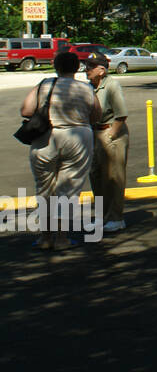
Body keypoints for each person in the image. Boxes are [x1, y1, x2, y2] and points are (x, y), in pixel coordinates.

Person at [21, 51, 100, 249]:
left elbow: (26, 110)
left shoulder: (45, 84)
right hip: (78, 138)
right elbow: (96, 115)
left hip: (46, 138)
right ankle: (62, 238)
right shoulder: (85, 88)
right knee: (69, 189)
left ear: (56, 66)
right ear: (77, 68)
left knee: (44, 187)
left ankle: (45, 238)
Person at [85, 54, 129, 232]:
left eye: (90, 66)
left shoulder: (111, 85)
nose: (86, 69)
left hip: (111, 131)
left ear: (101, 70)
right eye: (86, 65)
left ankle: (116, 218)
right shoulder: (89, 87)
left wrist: (111, 134)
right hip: (94, 133)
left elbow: (121, 113)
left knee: (113, 177)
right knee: (96, 175)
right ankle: (103, 216)